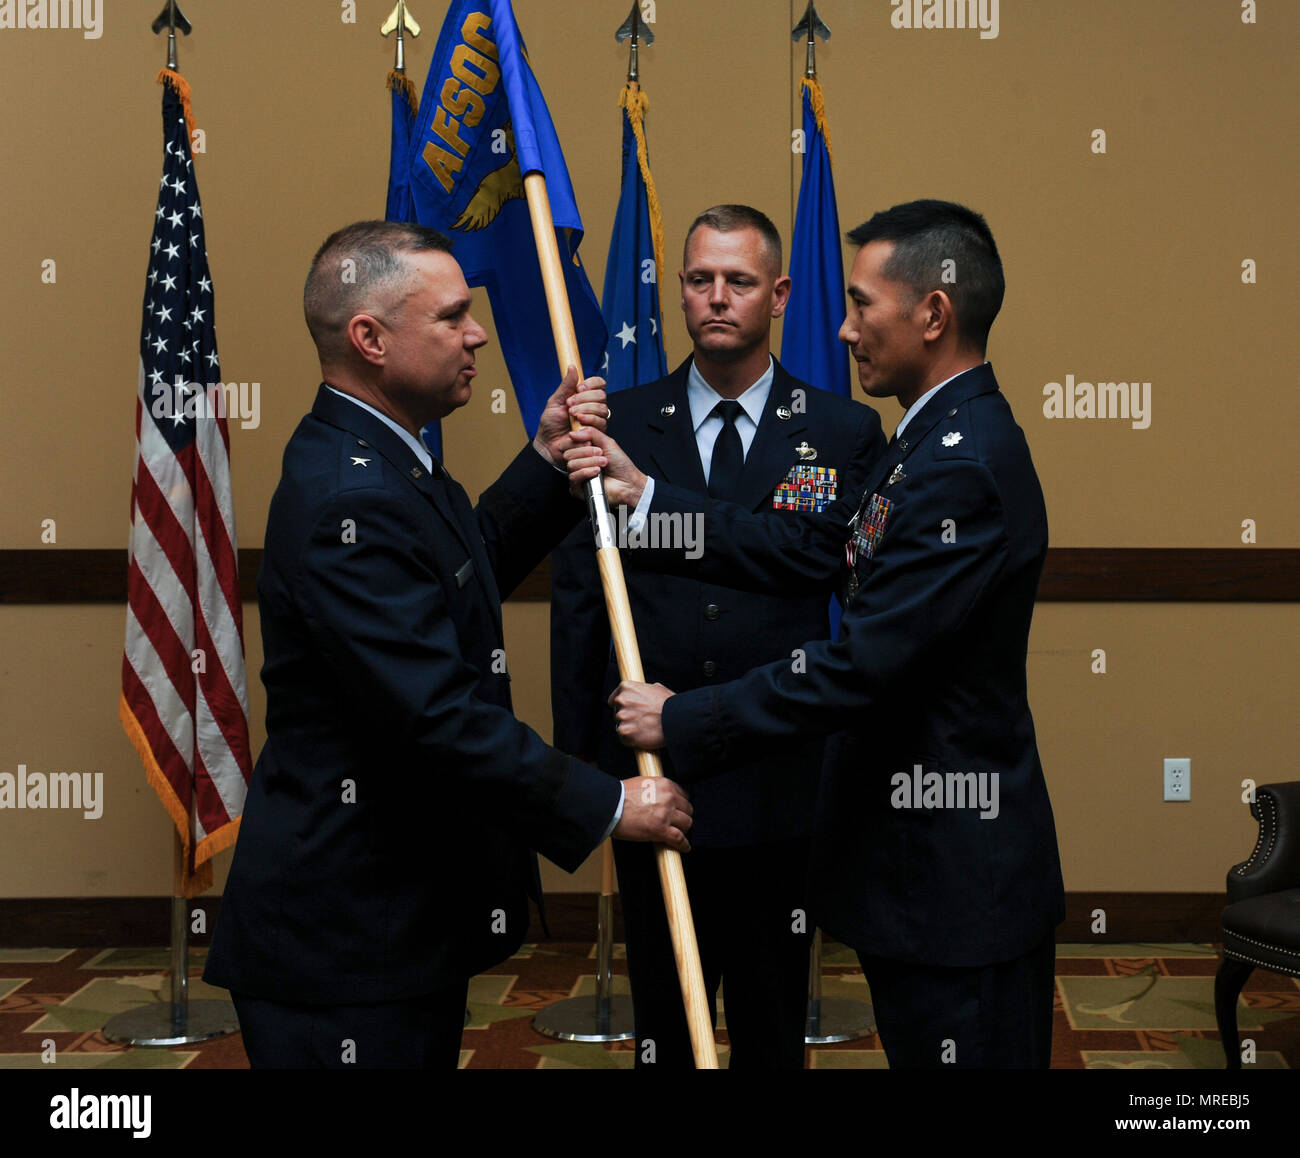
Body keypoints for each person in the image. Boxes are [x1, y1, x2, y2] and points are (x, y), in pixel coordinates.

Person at [574, 200, 1066, 1068]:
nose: (842, 330)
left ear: (933, 313)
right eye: (700, 279)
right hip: (910, 861)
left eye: (862, 305)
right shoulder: (928, 444)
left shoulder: (955, 463)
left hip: (947, 868)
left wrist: (682, 719)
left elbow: (862, 659)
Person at [203, 220, 693, 1069]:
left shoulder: (381, 458)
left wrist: (543, 463)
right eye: (452, 316)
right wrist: (612, 804)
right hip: (344, 934)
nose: (476, 334)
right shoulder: (344, 498)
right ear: (370, 338)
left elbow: (457, 576)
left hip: (393, 918)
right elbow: (437, 717)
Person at [550, 205, 884, 1068]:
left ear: (776, 294)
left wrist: (653, 505)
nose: (717, 298)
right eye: (699, 280)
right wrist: (585, 777)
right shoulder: (616, 425)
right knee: (665, 1021)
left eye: (739, 281)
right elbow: (583, 601)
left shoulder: (838, 431)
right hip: (658, 782)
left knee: (775, 1026)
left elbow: (807, 558)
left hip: (781, 777)